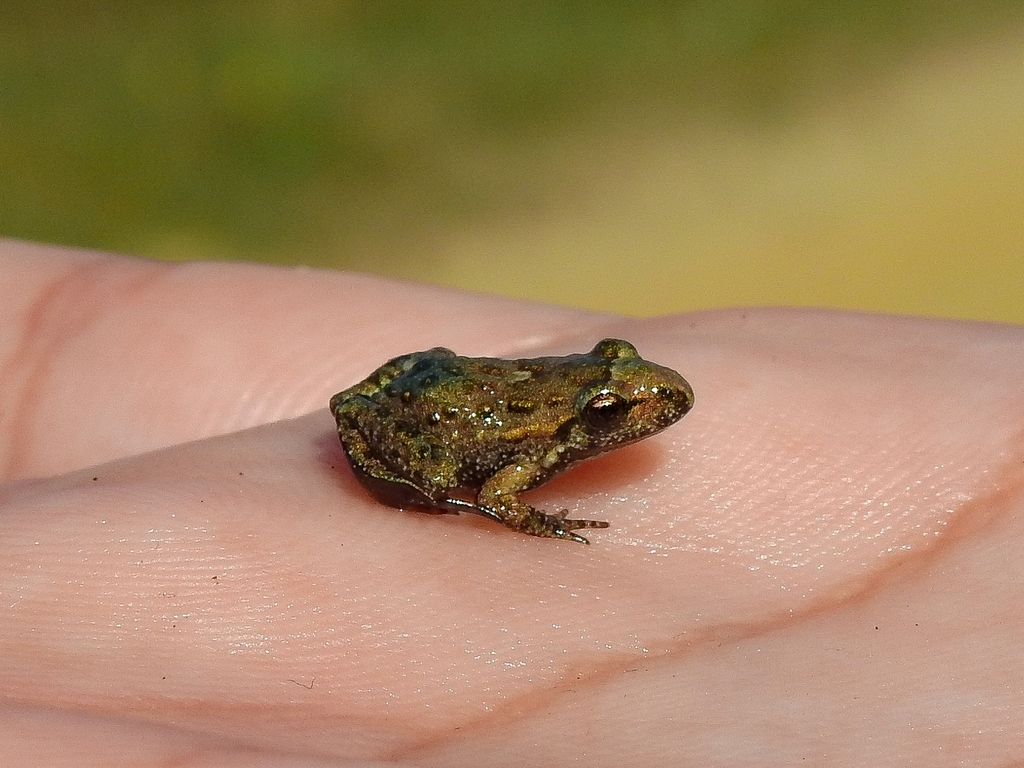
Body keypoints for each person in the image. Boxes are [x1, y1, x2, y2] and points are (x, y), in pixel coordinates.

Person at [2, 237, 1021, 765]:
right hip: (440, 426)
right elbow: (493, 496)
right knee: (437, 471)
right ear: (590, 419)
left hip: (436, 380)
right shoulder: (540, 458)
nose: (650, 406)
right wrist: (531, 518)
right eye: (621, 402)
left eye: (620, 387)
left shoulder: (594, 410)